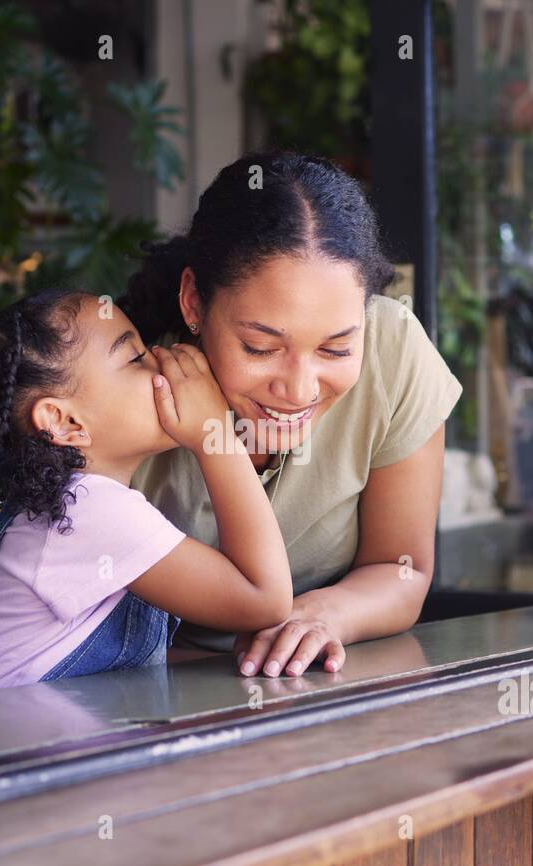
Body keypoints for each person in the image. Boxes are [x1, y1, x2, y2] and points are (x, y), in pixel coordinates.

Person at [122, 150, 463, 678]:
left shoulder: (393, 349)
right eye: (259, 348)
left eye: (336, 349)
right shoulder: (130, 392)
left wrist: (323, 616)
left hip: (320, 694)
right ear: (193, 302)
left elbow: (404, 568)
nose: (299, 389)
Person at [0, 289, 292, 698]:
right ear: (63, 421)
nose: (164, 360)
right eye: (135, 358)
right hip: (0, 757)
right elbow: (264, 598)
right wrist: (214, 433)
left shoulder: (82, 505)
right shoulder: (91, 510)